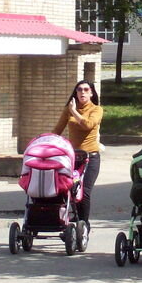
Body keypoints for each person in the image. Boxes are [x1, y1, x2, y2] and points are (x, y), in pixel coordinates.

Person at [53, 80, 103, 238]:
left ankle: (84, 224)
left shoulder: (96, 109)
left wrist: (74, 111)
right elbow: (58, 130)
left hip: (91, 157)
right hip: (73, 157)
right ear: (75, 93)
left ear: (91, 93)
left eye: (86, 89)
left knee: (84, 192)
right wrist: (45, 142)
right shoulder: (68, 110)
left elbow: (87, 125)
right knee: (67, 190)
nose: (82, 92)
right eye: (79, 89)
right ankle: (68, 220)